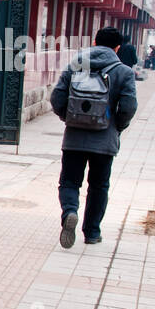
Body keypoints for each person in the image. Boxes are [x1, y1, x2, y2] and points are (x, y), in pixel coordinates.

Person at [50, 26, 138, 248]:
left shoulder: (77, 64)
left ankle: (70, 211)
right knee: (99, 186)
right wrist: (117, 126)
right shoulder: (124, 72)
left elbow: (57, 97)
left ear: (95, 42)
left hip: (74, 139)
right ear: (118, 48)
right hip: (105, 141)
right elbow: (128, 107)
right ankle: (92, 232)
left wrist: (68, 118)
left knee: (69, 181)